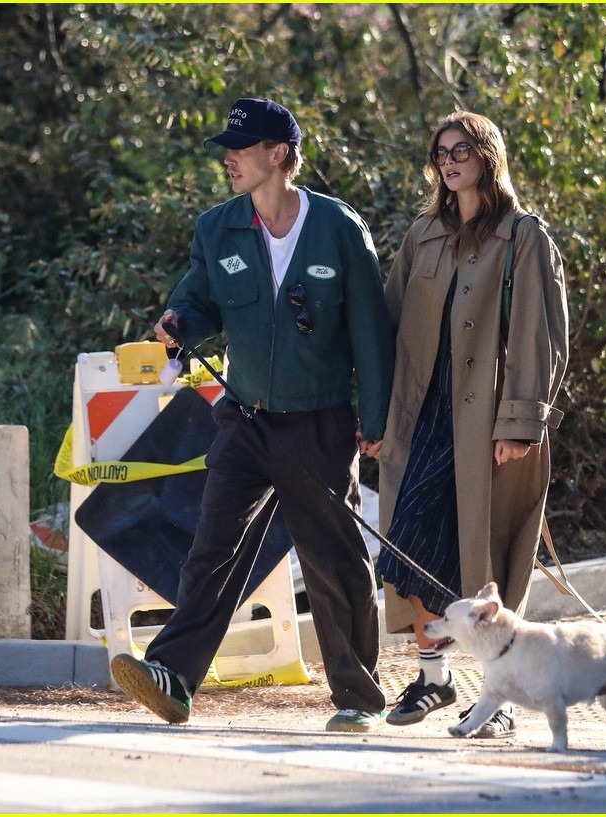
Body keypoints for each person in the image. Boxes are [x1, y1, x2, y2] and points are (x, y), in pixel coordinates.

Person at [110, 97, 396, 733]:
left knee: (334, 557)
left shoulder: (338, 229)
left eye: (241, 149)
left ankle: (359, 697)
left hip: (318, 423)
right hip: (245, 419)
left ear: (280, 155)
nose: (229, 160)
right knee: (211, 548)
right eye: (227, 151)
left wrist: (375, 422)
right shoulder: (218, 228)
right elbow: (198, 300)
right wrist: (178, 323)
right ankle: (174, 677)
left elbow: (373, 334)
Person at [372, 111, 570, 737]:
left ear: (488, 155)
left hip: (489, 422)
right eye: (440, 153)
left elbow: (541, 336)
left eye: (461, 150)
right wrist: (374, 416)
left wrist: (520, 420)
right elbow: (388, 330)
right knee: (409, 543)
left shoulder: (523, 236)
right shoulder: (422, 235)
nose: (449, 161)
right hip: (421, 415)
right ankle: (434, 677)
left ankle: (502, 693)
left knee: (489, 555)